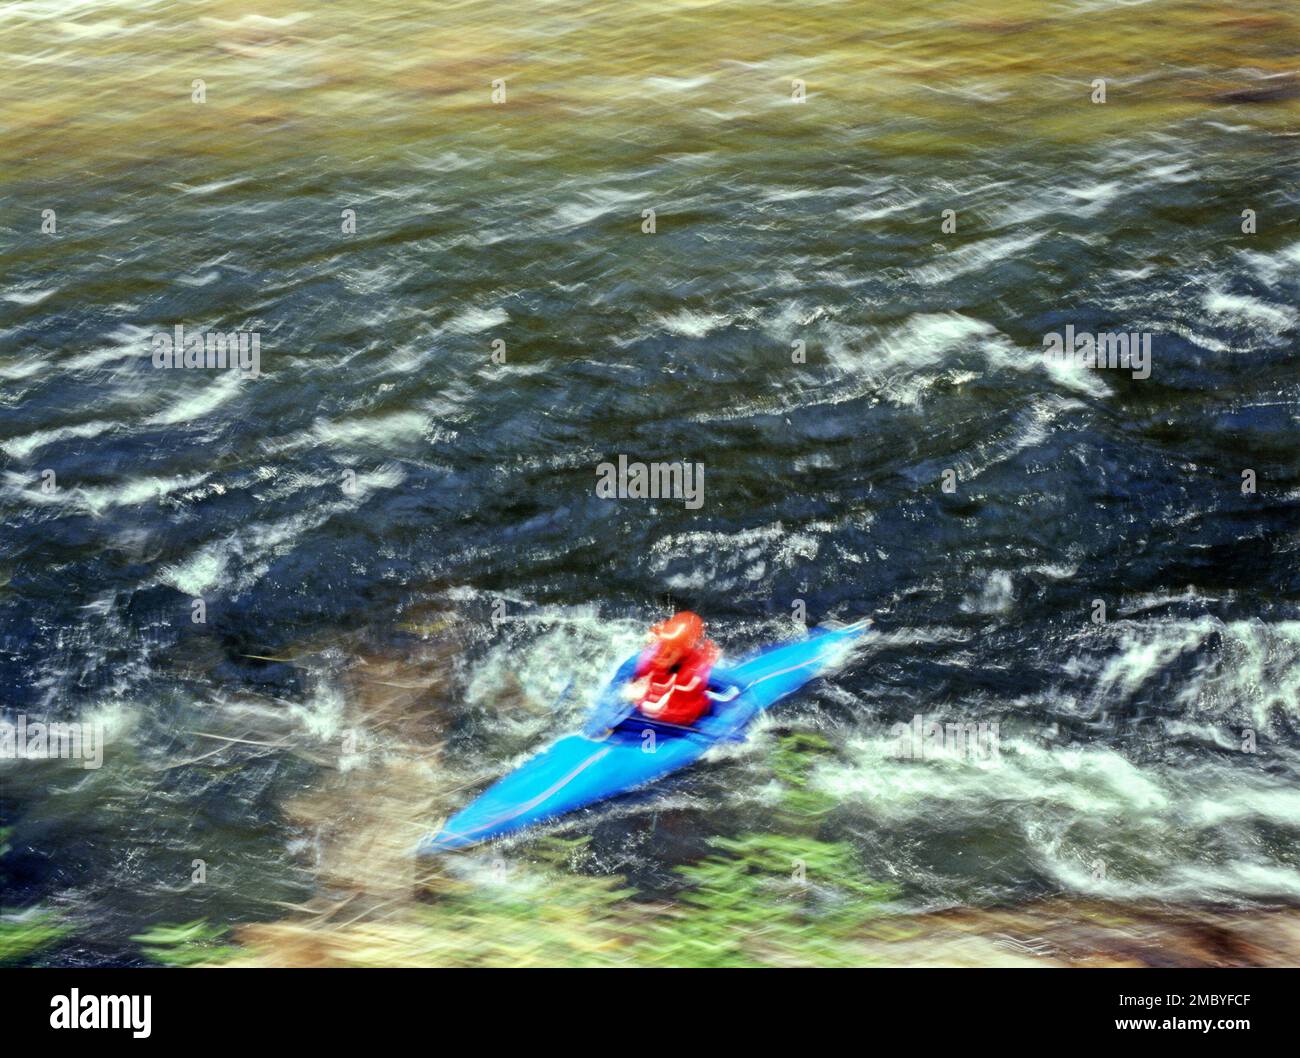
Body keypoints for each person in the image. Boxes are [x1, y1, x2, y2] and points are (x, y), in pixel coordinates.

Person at [625, 611, 720, 726]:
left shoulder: (695, 669)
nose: (662, 653)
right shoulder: (649, 658)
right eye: (663, 646)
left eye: (671, 650)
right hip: (658, 717)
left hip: (676, 719)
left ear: (684, 653)